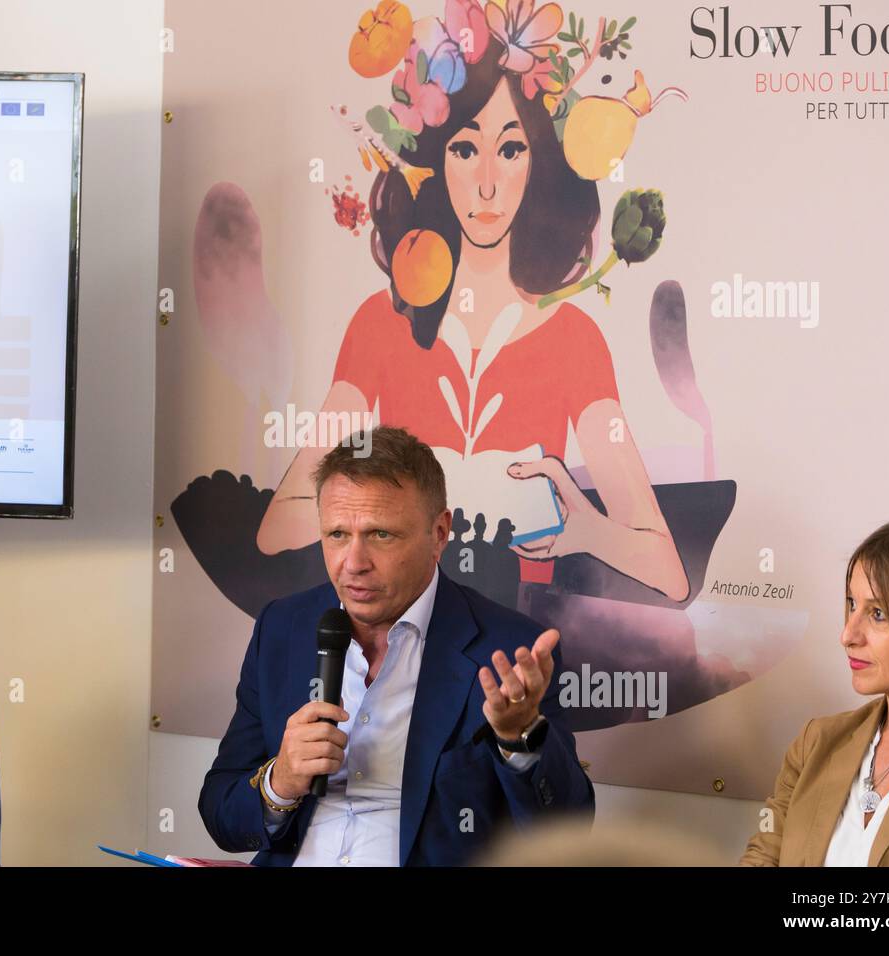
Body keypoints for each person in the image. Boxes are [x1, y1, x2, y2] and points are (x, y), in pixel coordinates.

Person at [257, 31, 687, 604]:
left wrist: (591, 531)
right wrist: (387, 523)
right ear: (434, 160)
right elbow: (277, 524)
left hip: (520, 652)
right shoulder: (381, 323)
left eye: (511, 150)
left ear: (539, 164)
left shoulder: (573, 338)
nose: (487, 183)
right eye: (464, 149)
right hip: (399, 641)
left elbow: (668, 570)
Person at [200, 426, 593, 866]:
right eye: (336, 535)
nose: (353, 564)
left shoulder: (508, 650)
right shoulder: (281, 628)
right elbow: (220, 813)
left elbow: (567, 834)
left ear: (440, 532)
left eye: (381, 535)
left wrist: (520, 739)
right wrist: (280, 782)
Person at [740, 509, 889, 866]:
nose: (848, 635)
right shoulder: (815, 744)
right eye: (851, 605)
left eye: (878, 614)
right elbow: (761, 858)